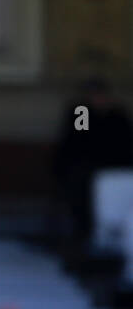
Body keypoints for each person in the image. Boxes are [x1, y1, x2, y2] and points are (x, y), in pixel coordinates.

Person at [53, 77, 133, 244]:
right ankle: (84, 230)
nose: (97, 99)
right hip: (86, 165)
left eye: (100, 95)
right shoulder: (82, 112)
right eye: (93, 95)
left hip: (115, 165)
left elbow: (125, 142)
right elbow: (79, 141)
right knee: (82, 186)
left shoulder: (116, 114)